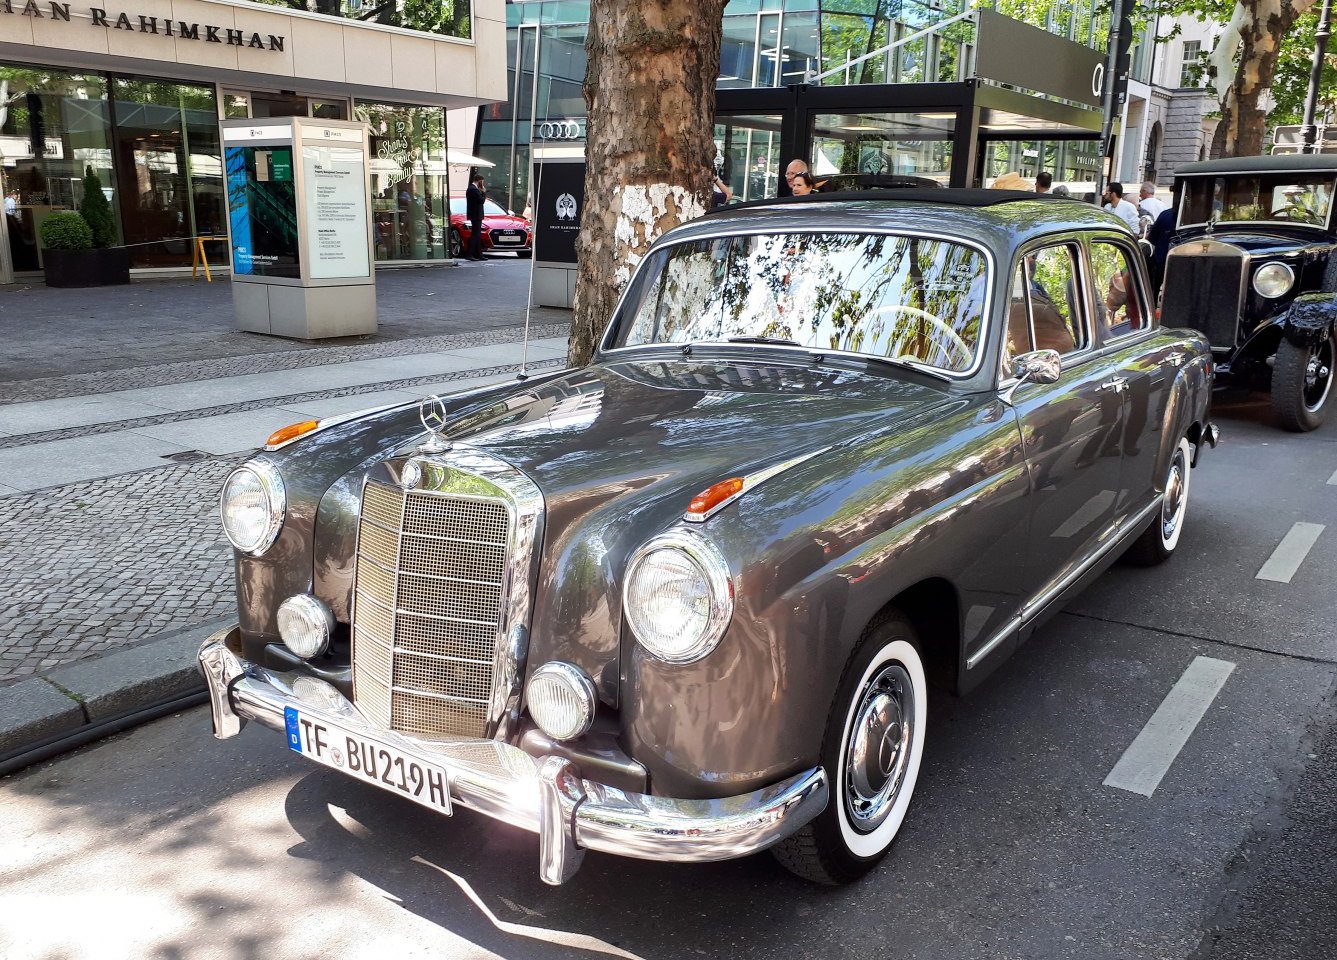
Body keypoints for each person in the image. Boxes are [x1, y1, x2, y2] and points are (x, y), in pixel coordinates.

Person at [465, 173, 486, 261]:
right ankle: (470, 254)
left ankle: (478, 254)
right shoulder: (473, 189)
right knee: (475, 235)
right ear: (479, 181)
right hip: (476, 215)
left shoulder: (472, 189)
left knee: (477, 235)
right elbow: (481, 201)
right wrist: (484, 192)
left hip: (475, 214)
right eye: (482, 181)